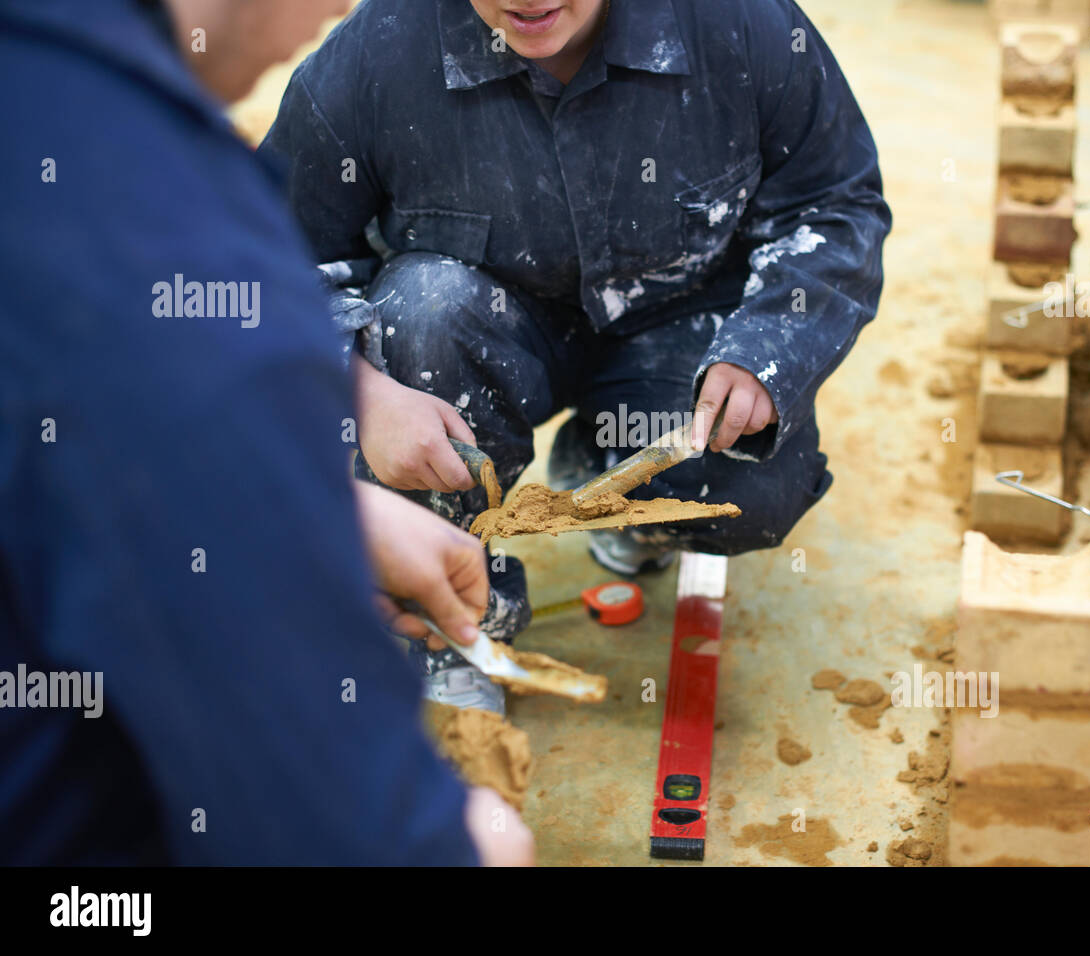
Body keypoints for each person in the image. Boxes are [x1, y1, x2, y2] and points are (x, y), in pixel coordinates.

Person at [0, 0, 531, 865]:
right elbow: (334, 826)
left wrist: (317, 513)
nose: (338, 8)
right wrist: (461, 843)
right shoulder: (175, 250)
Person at [261, 0, 891, 715]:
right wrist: (362, 393)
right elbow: (266, 259)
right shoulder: (374, 54)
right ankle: (458, 623)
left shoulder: (742, 26)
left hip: (673, 324)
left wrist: (763, 354)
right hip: (469, 334)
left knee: (751, 483)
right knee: (423, 312)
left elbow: (834, 206)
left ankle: (606, 473)